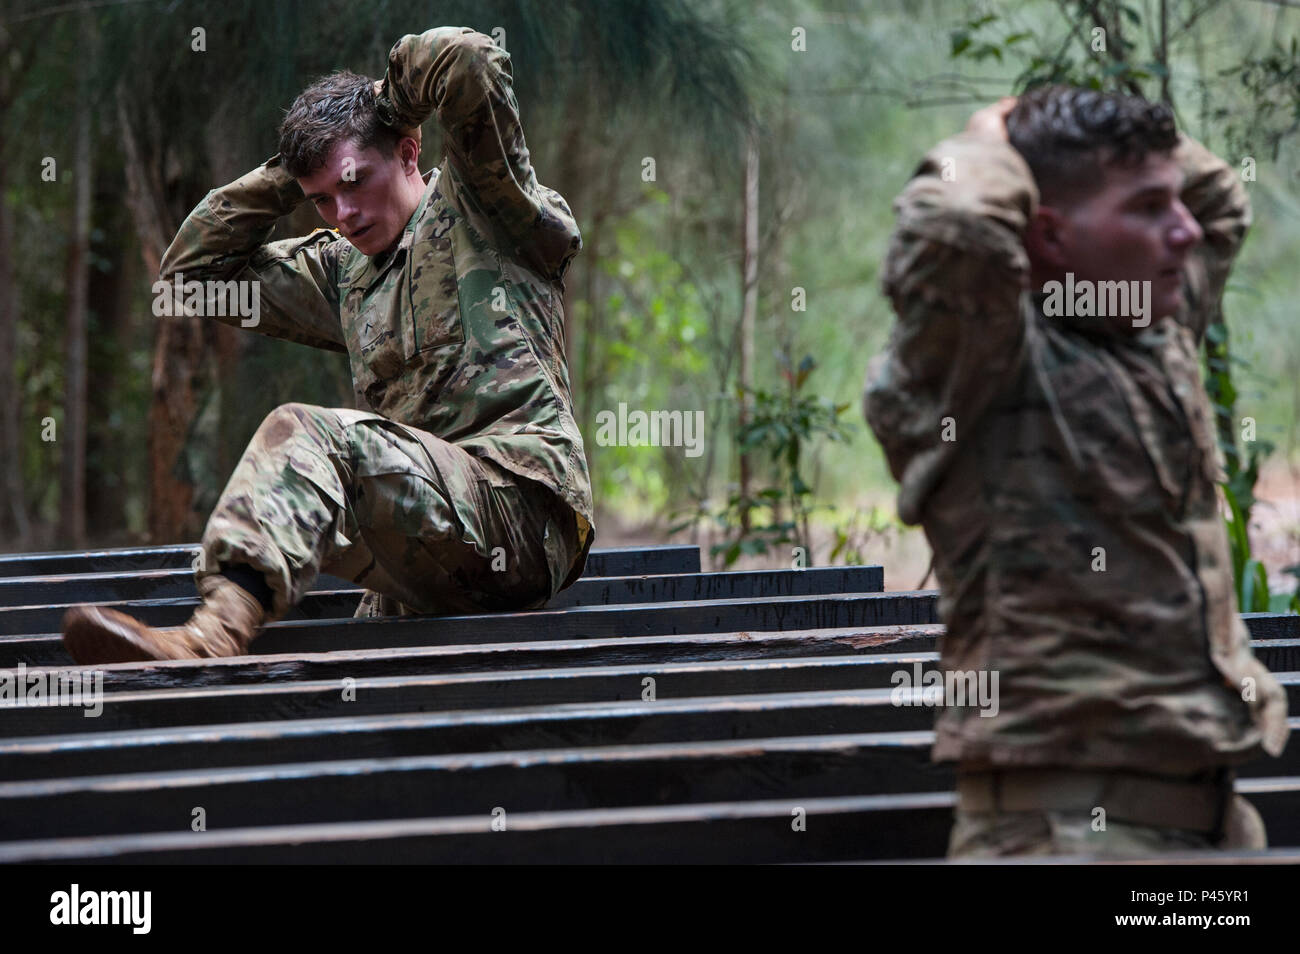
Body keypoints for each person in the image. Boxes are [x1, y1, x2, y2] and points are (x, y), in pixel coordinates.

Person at [62, 26, 593, 663]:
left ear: (407, 150)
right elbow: (188, 280)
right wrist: (291, 173)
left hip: (522, 514)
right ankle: (219, 626)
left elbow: (468, 60)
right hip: (429, 546)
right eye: (320, 201)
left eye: (354, 181)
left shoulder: (485, 206)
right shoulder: (344, 273)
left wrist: (378, 105)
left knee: (306, 431)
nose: (342, 213)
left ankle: (212, 638)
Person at [863, 85, 1289, 858]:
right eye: (1148, 206)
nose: (1184, 230)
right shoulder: (980, 361)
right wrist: (993, 136)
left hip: (1211, 831)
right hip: (1062, 836)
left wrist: (1076, 129)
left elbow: (1220, 201)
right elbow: (955, 226)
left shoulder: (1157, 330)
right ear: (1049, 234)